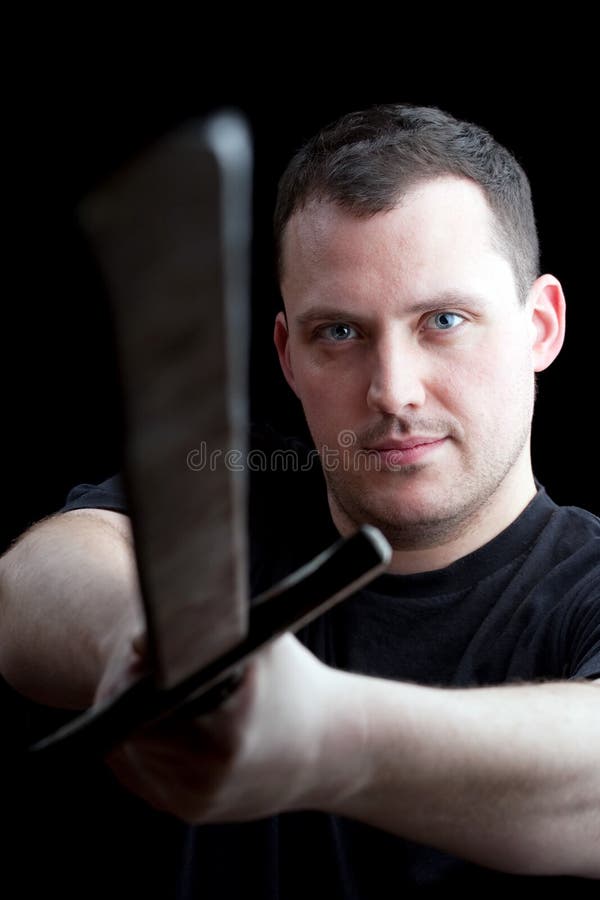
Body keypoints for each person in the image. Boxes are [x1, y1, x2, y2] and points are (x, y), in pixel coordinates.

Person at [0, 103, 598, 896]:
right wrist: (152, 643)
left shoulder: (587, 586)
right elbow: (29, 585)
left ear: (541, 327)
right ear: (287, 354)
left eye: (443, 321)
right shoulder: (243, 491)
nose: (394, 391)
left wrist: (322, 736)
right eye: (340, 335)